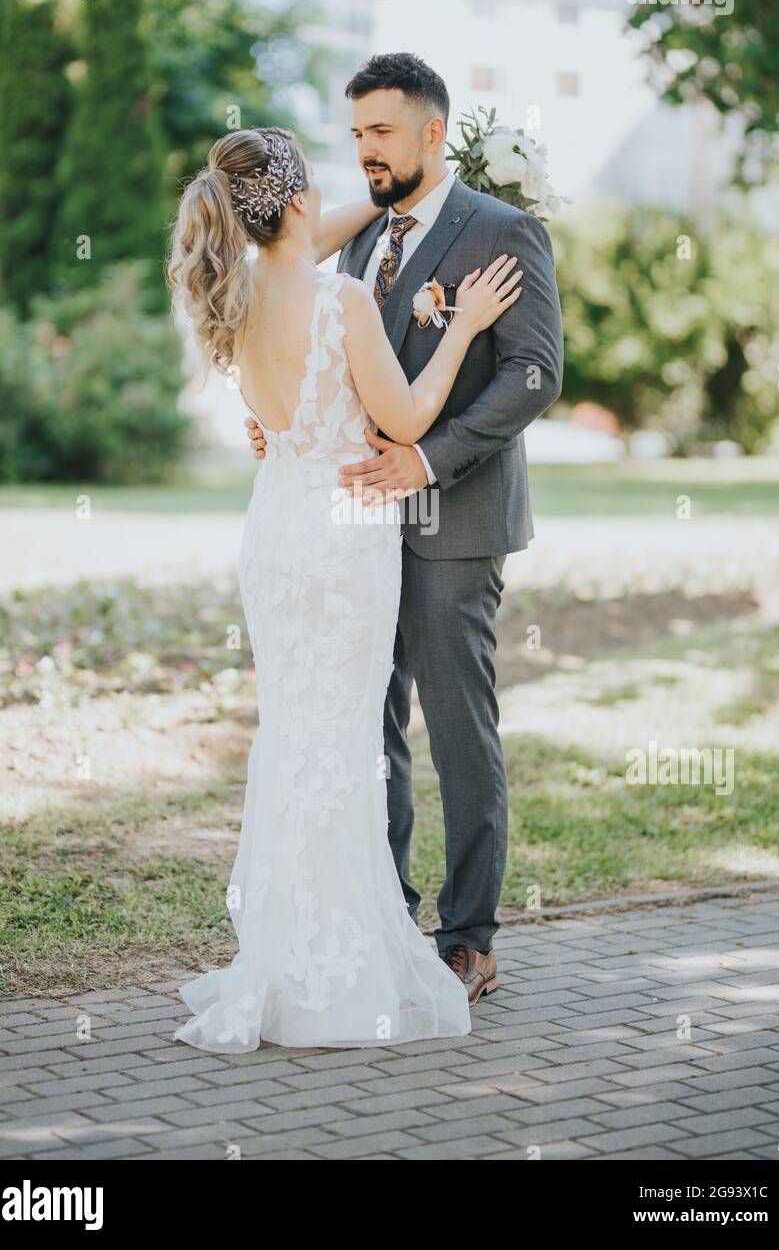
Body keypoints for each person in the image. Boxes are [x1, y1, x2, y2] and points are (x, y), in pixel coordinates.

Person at [167, 122, 522, 1051]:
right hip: (344, 536)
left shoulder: (233, 298)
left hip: (276, 532)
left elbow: (294, 251)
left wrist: (390, 191)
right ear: (295, 200)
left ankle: (288, 954)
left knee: (298, 738)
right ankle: (343, 961)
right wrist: (463, 327)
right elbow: (405, 416)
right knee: (347, 741)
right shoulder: (344, 300)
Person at [247, 54, 564, 1007]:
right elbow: (332, 366)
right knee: (365, 726)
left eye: (381, 132)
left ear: (433, 132)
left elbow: (535, 374)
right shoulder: (357, 245)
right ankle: (383, 917)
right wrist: (281, 421)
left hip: (454, 519)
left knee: (459, 729)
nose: (365, 152)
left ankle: (468, 938)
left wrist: (427, 461)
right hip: (353, 534)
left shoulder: (502, 230)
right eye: (355, 135)